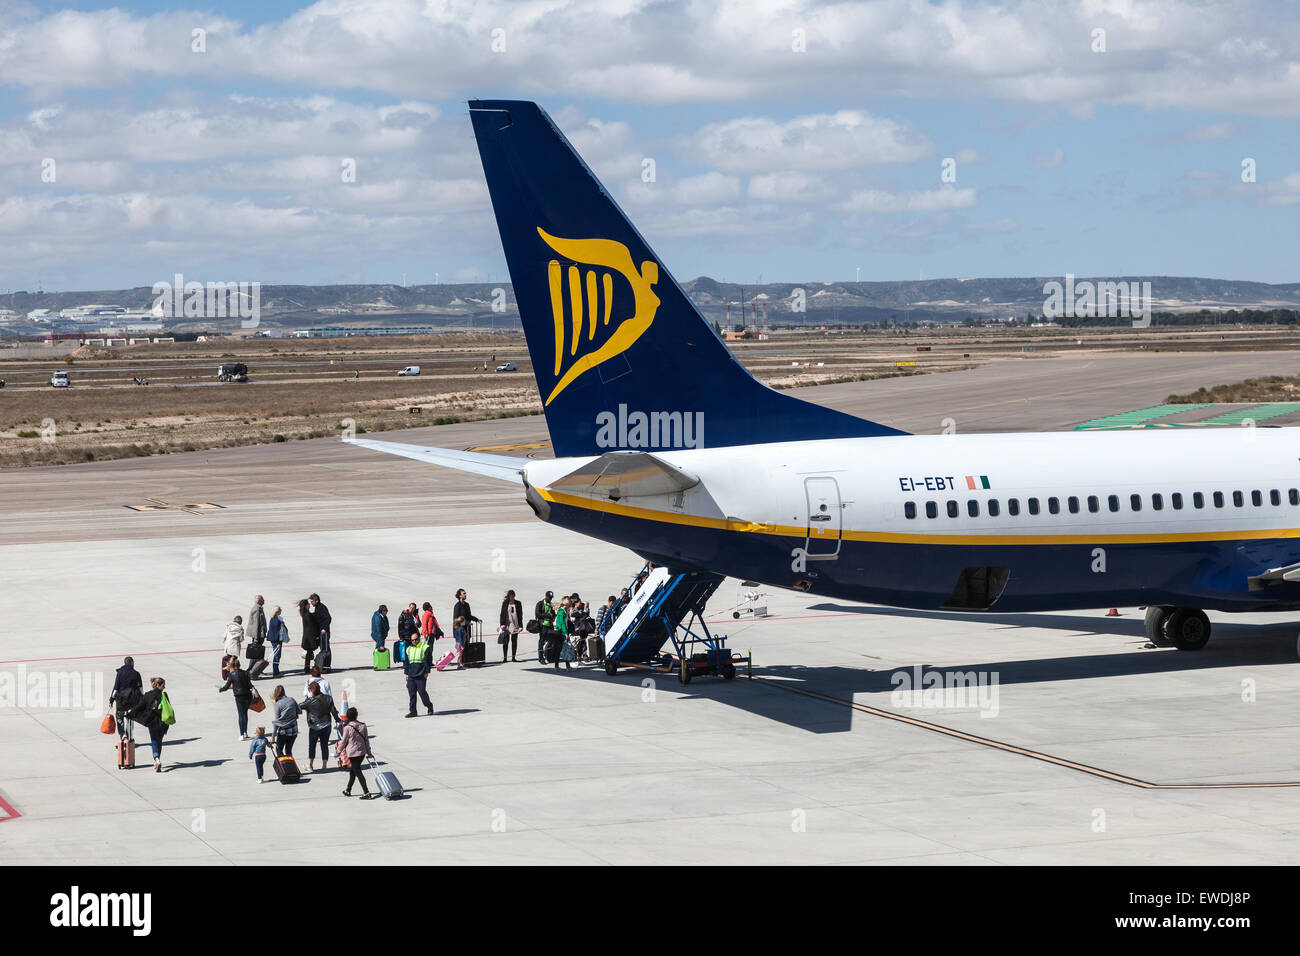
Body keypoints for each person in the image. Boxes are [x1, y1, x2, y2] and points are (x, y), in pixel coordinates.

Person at [130, 676, 171, 773]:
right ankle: (157, 760)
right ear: (158, 685)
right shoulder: (164, 695)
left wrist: (131, 711)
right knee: (159, 741)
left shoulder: (148, 695)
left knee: (154, 740)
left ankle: (156, 759)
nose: (164, 687)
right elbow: (168, 708)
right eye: (163, 685)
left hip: (152, 722)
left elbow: (139, 706)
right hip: (163, 722)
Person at [300, 681, 339, 772]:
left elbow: (298, 706)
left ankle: (310, 765)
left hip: (314, 727)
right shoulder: (328, 698)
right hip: (327, 725)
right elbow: (333, 711)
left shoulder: (309, 701)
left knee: (312, 746)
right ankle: (324, 766)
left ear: (311, 690)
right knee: (324, 745)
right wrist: (338, 719)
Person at [337, 707, 374, 798]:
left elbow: (343, 742)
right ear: (356, 715)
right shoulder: (363, 725)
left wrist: (337, 752)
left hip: (353, 754)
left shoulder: (347, 728)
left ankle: (366, 792)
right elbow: (366, 740)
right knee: (353, 771)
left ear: (347, 717)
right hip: (362, 753)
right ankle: (348, 790)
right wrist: (369, 752)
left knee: (358, 772)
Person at [218, 657, 255, 740]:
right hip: (247, 695)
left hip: (239, 697)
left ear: (233, 666)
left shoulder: (232, 674)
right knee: (245, 714)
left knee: (241, 715)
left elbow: (227, 686)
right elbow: (250, 684)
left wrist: (221, 689)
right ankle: (245, 732)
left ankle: (241, 734)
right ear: (239, 665)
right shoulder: (245, 673)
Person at [108, 656, 143, 736]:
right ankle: (129, 736)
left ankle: (122, 735)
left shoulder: (120, 673)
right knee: (130, 719)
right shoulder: (136, 674)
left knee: (119, 717)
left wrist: (111, 700)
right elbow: (140, 688)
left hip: (121, 701)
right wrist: (142, 699)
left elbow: (116, 688)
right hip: (132, 701)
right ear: (132, 663)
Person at [404, 632, 434, 717]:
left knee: (422, 692)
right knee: (412, 694)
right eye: (412, 640)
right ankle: (413, 711)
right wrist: (406, 673)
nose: (414, 641)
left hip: (421, 674)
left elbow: (428, 660)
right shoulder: (409, 649)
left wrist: (427, 671)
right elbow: (406, 662)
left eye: (416, 639)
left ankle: (429, 706)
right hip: (411, 675)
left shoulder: (425, 647)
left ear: (419, 638)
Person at [452, 589, 480, 666]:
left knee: (467, 645)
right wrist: (467, 623)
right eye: (463, 593)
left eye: (465, 593)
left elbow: (469, 616)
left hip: (467, 629)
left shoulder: (467, 605)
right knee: (461, 647)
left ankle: (466, 661)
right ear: (460, 595)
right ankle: (460, 662)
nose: (465, 595)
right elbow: (456, 619)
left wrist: (477, 620)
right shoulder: (457, 606)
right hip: (459, 630)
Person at [271, 685, 300, 757]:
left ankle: (284, 767)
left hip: (283, 731)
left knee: (279, 750)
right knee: (288, 750)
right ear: (284, 692)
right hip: (294, 730)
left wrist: (273, 736)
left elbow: (277, 722)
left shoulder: (278, 704)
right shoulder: (292, 699)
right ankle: (291, 767)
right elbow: (299, 711)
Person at [499, 589, 523, 662]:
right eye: (510, 597)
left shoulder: (518, 603)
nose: (511, 598)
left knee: (514, 641)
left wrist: (521, 625)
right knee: (506, 641)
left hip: (515, 624)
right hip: (507, 624)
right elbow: (502, 614)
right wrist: (502, 624)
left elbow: (520, 615)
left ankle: (513, 657)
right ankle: (505, 658)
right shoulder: (505, 603)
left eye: (512, 596)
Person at [308, 593, 332, 661]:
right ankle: (324, 664)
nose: (311, 603)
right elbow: (317, 617)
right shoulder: (317, 608)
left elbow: (328, 618)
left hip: (324, 632)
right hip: (320, 632)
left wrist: (324, 628)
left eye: (312, 601)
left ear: (317, 601)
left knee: (325, 649)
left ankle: (326, 666)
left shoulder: (322, 607)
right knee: (323, 648)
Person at [535, 590, 555, 663]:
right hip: (543, 625)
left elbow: (553, 613)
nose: (550, 599)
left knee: (551, 641)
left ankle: (549, 656)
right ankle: (541, 658)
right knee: (542, 641)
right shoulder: (540, 603)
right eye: (549, 597)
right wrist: (547, 615)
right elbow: (537, 614)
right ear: (546, 596)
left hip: (550, 625)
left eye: (551, 598)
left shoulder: (551, 604)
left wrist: (553, 616)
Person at [267, 605, 287, 677]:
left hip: (274, 639)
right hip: (276, 640)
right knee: (277, 656)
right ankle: (276, 672)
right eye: (280, 610)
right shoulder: (277, 620)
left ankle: (276, 671)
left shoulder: (273, 618)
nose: (281, 610)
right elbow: (278, 632)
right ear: (278, 611)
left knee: (277, 655)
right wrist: (278, 642)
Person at [553, 596, 573, 670]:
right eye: (569, 605)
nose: (570, 606)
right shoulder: (561, 612)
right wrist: (565, 633)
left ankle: (561, 665)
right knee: (562, 648)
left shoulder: (564, 611)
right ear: (567, 604)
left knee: (564, 648)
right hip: (561, 633)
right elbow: (562, 623)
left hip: (563, 632)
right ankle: (558, 665)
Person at [298, 598, 317, 673]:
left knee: (309, 654)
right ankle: (306, 668)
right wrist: (315, 635)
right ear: (306, 606)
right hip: (309, 637)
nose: (309, 605)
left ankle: (307, 668)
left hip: (306, 636)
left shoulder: (304, 613)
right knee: (309, 654)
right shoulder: (308, 615)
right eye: (308, 604)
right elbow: (311, 626)